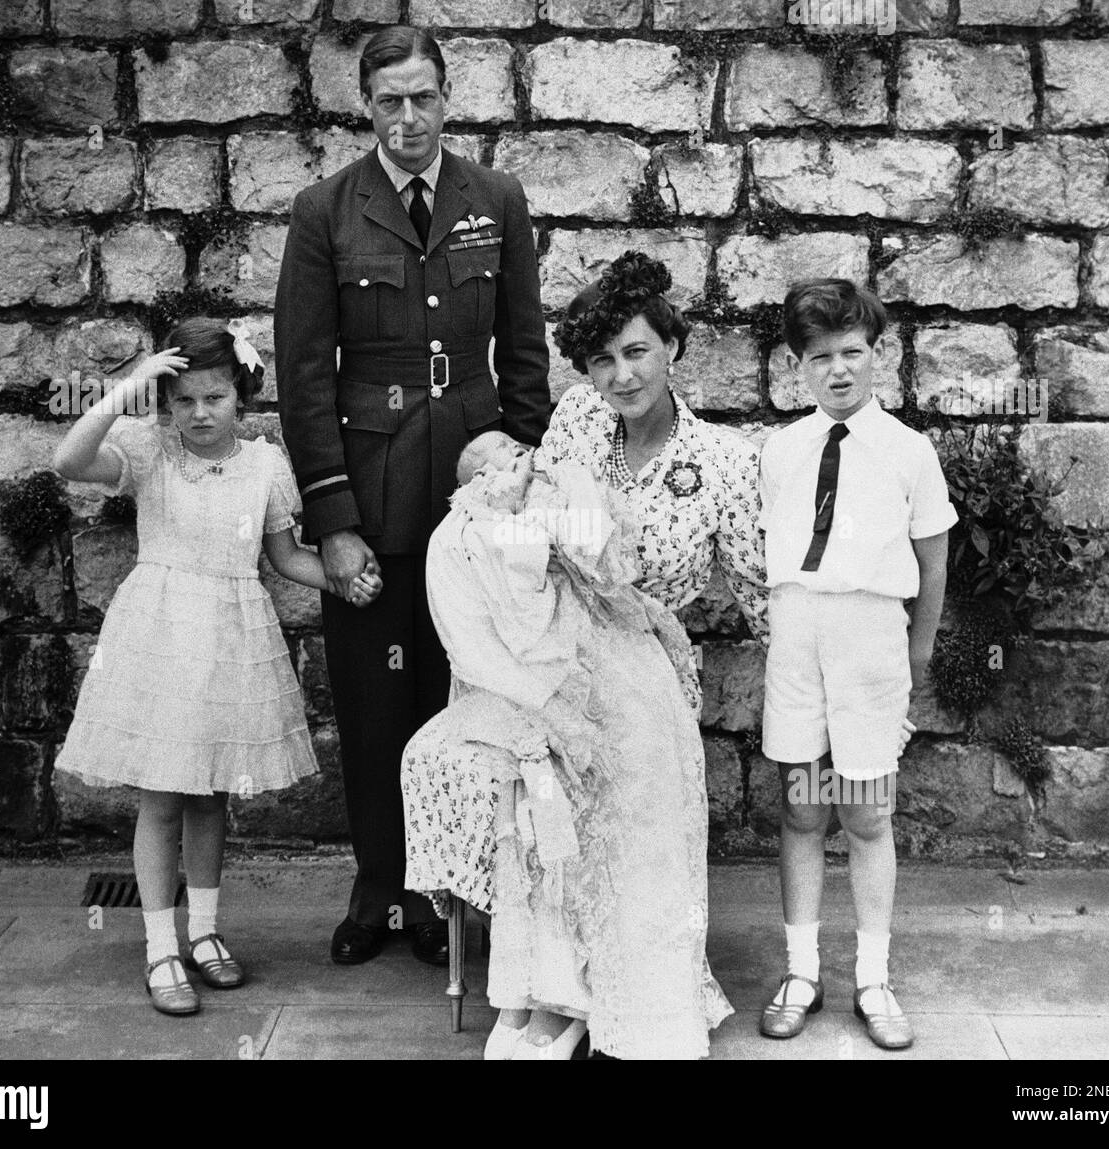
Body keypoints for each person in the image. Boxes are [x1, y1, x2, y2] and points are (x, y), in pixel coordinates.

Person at [402, 252, 770, 1057]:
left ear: (672, 346)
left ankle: (630, 998)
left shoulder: (726, 462)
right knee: (535, 781)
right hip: (557, 653)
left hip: (645, 660)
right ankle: (552, 990)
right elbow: (519, 528)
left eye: (636, 351)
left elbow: (762, 593)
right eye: (602, 358)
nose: (621, 374)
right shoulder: (573, 420)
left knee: (621, 778)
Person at [274, 24, 551, 967]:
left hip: (472, 492)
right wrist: (334, 520)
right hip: (376, 493)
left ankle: (447, 895)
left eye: (422, 96)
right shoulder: (324, 211)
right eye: (389, 100)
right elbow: (306, 377)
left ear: (447, 96)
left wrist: (526, 483)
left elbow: (522, 353)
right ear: (366, 105)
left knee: (462, 690)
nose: (408, 118)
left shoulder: (496, 199)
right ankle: (378, 890)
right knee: (373, 697)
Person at [52, 318, 372, 1016]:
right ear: (167, 404)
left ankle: (204, 931)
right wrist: (127, 390)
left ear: (241, 396)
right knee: (163, 793)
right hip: (161, 632)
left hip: (231, 633)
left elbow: (286, 558)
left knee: (211, 793)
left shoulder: (265, 464)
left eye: (214, 398)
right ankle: (158, 945)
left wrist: (345, 579)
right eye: (184, 400)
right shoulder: (151, 452)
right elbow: (68, 461)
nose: (199, 414)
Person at [406, 431, 724, 1060]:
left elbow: (605, 561)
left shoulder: (563, 486)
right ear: (475, 480)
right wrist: (541, 700)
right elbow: (491, 630)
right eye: (498, 454)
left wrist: (565, 497)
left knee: (641, 768)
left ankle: (627, 990)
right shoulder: (467, 531)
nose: (516, 453)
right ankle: (547, 990)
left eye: (514, 445)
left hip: (610, 654)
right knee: (544, 793)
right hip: (538, 673)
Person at [756, 279, 954, 1050]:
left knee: (867, 811)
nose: (837, 370)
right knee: (804, 805)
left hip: (871, 644)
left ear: (878, 355)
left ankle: (874, 976)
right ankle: (801, 970)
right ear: (796, 367)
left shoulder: (909, 452)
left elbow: (932, 564)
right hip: (800, 641)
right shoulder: (782, 448)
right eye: (819, 358)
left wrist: (918, 653)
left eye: (851, 353)